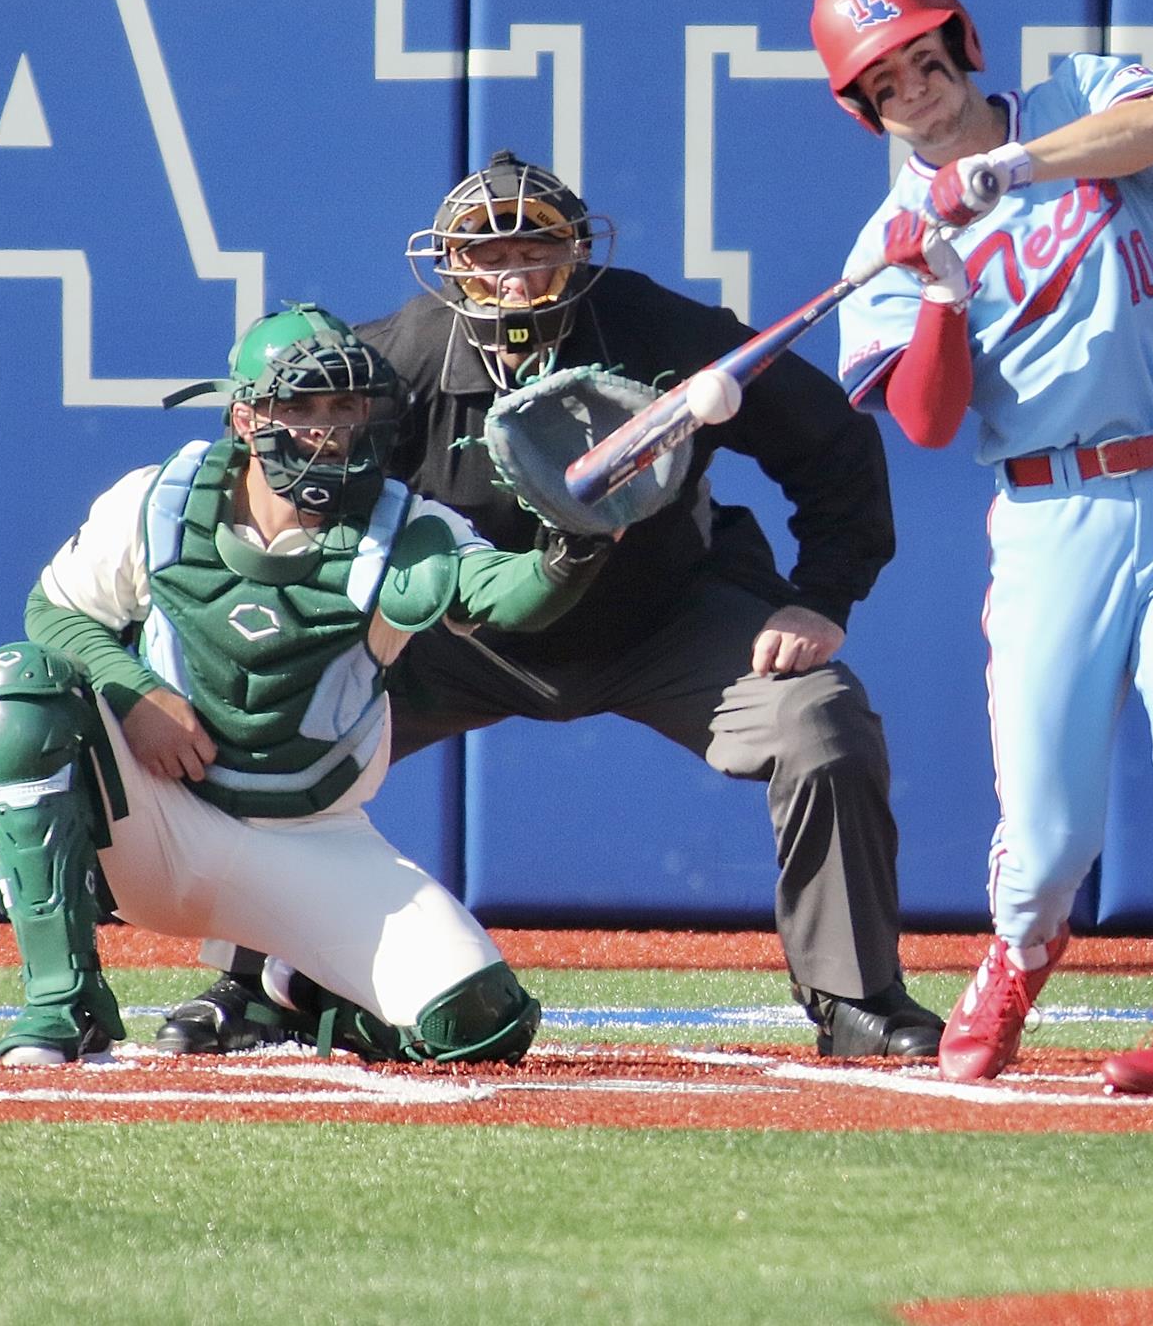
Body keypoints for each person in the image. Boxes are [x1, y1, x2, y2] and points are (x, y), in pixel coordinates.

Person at [156, 152, 945, 1061]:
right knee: (277, 710)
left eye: (538, 248)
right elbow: (279, 482)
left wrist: (822, 597)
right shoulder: (396, 363)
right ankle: (251, 982)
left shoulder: (659, 331)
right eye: (488, 255)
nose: (515, 274)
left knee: (820, 718)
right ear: (450, 267)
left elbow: (832, 441)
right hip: (458, 630)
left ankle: (855, 995)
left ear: (579, 252)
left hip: (665, 616)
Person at [810, 0, 1153, 1093]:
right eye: (883, 81)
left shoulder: (1075, 97)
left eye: (922, 57)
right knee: (1051, 836)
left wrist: (1012, 167)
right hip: (1050, 515)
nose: (913, 88)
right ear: (862, 106)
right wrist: (939, 289)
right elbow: (926, 422)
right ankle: (1020, 950)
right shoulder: (884, 240)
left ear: (959, 42)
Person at [0, 303, 613, 1067]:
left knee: (479, 1023)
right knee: (15, 691)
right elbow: (54, 611)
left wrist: (571, 552)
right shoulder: (159, 500)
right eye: (303, 406)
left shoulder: (404, 528)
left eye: (345, 405)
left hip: (310, 838)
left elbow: (505, 593)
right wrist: (132, 692)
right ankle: (63, 1001)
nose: (330, 428)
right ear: (246, 419)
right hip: (158, 815)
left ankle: (296, 993)